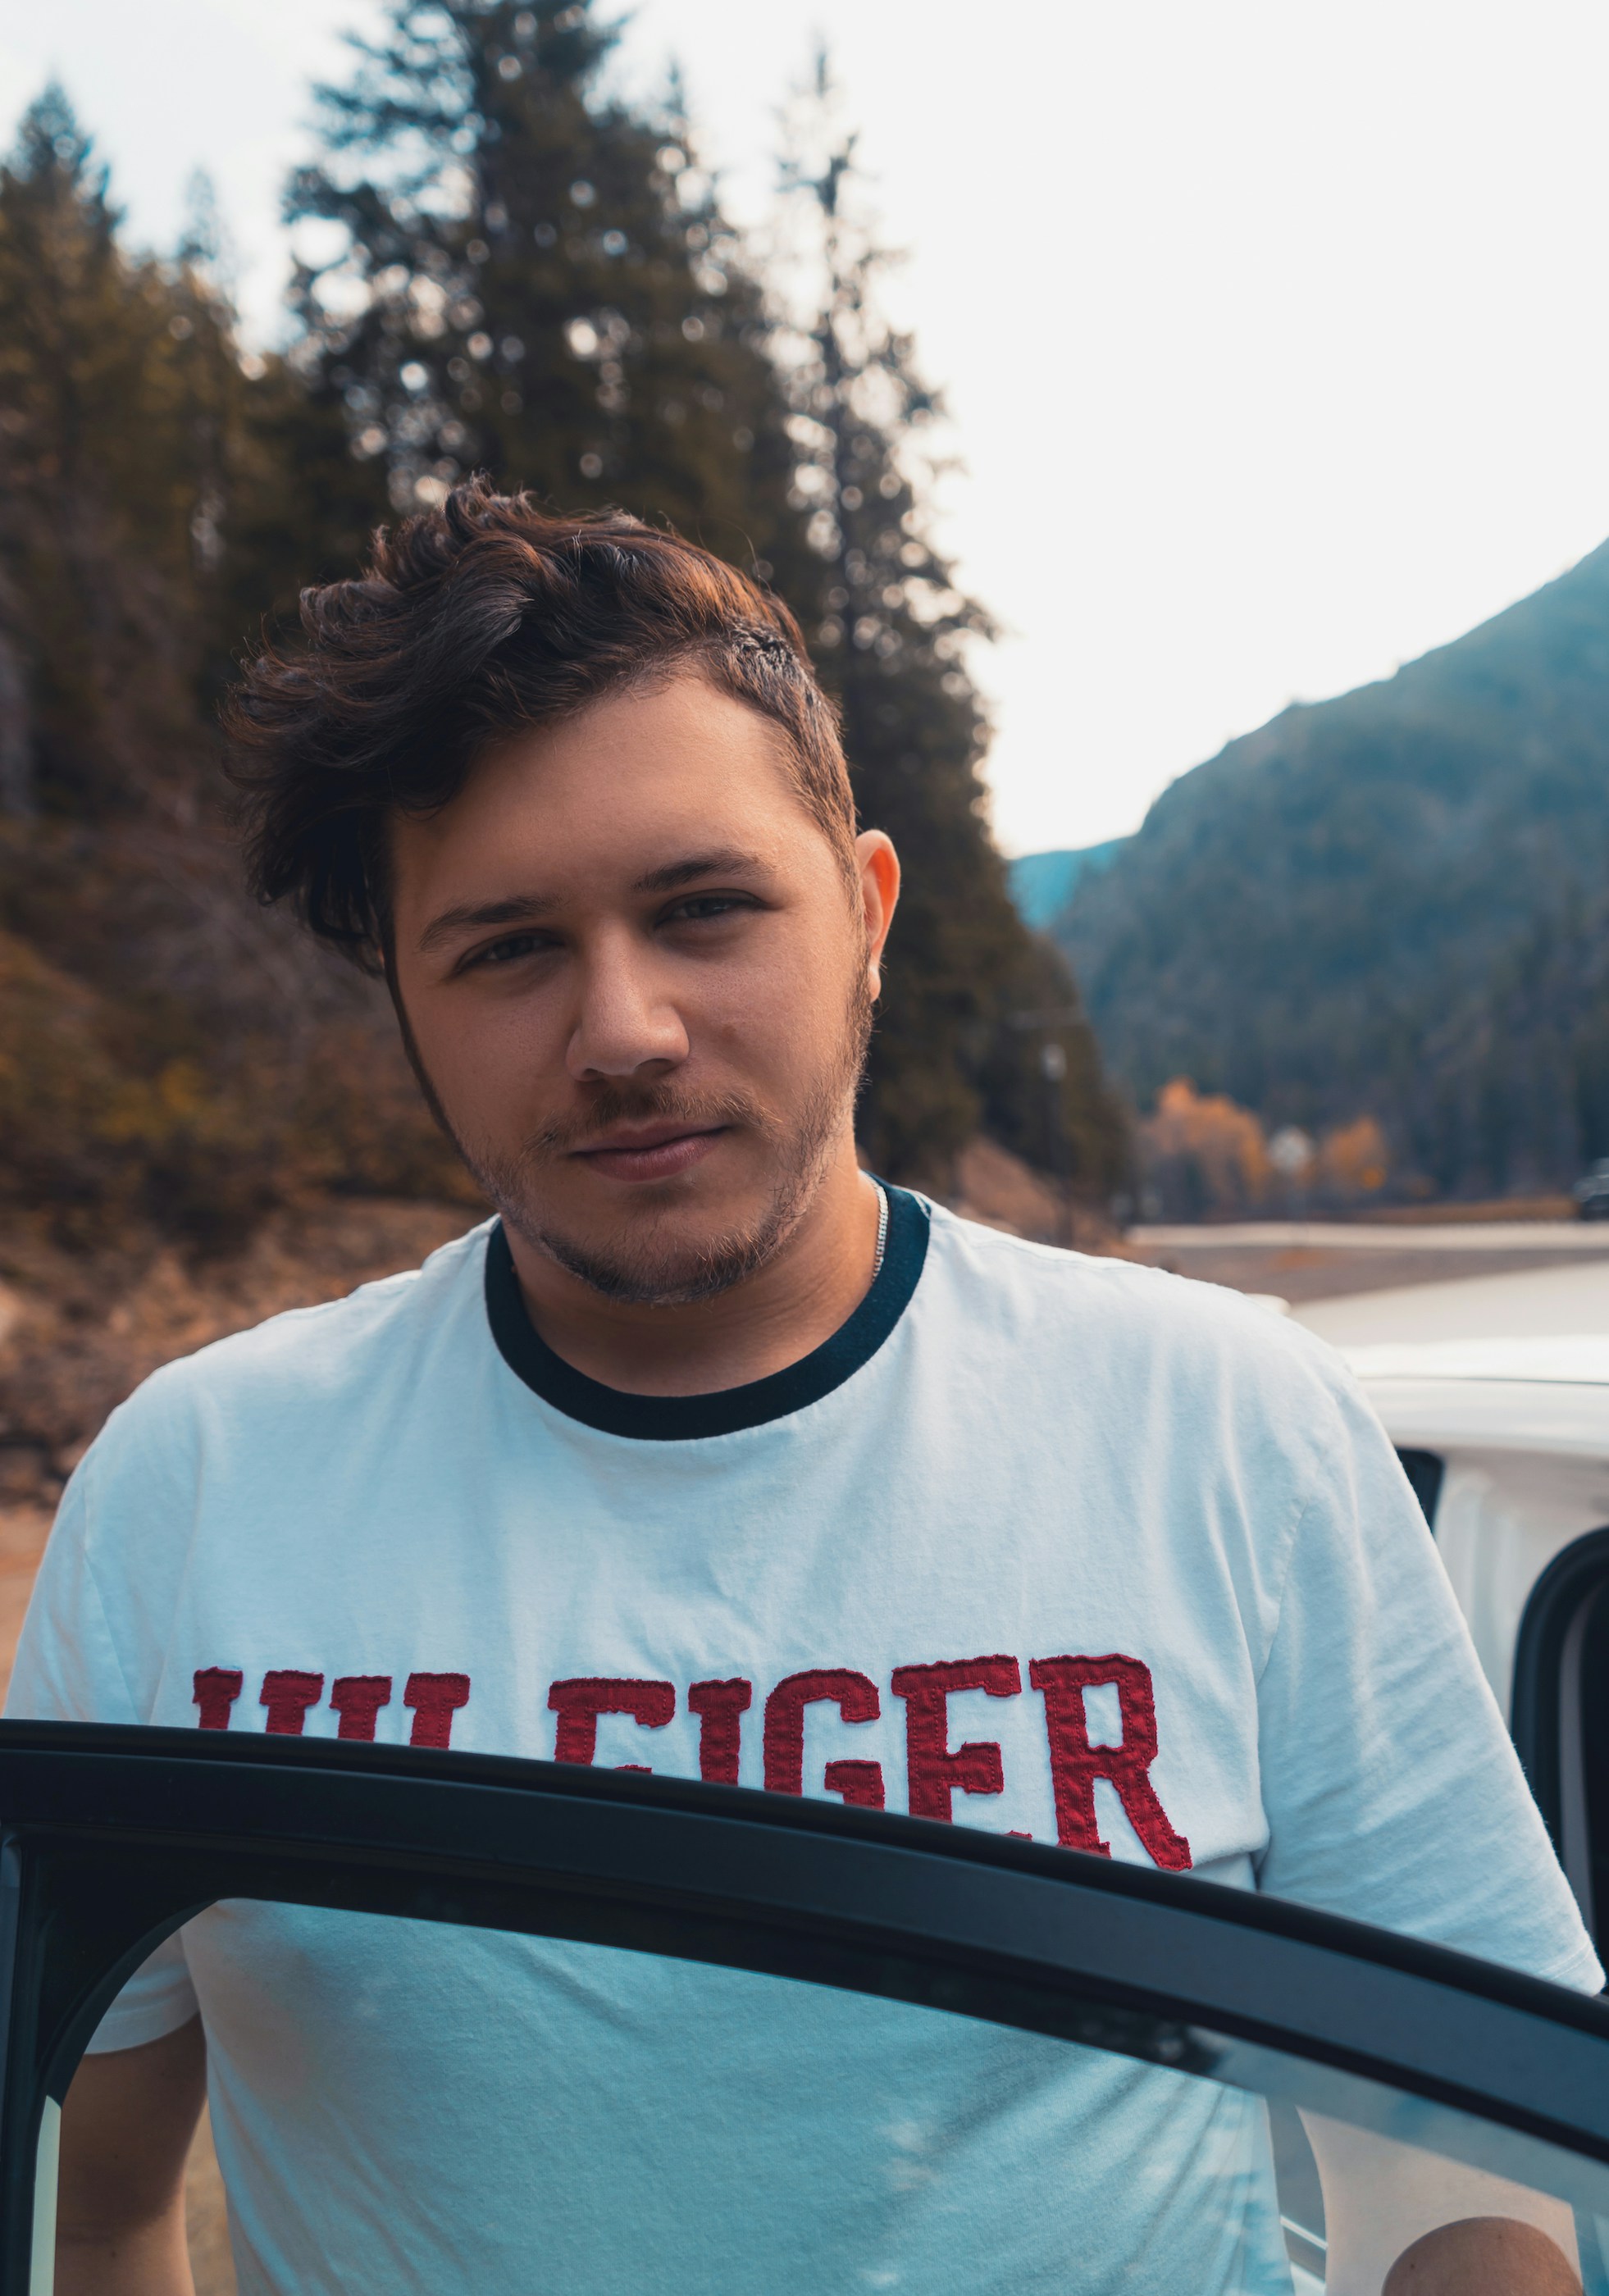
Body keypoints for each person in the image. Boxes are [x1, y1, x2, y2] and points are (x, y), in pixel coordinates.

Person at [11, 481, 1599, 2295]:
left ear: (863, 911)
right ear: (403, 987)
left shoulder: (1225, 1422)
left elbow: (1478, 2173)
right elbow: (90, 2193)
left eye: (703, 906)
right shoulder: (196, 1488)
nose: (624, 1027)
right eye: (509, 945)